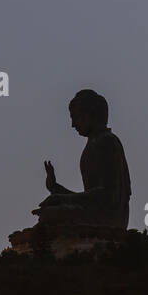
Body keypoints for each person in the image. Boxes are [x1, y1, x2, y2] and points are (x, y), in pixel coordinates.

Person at [34, 88, 131, 229]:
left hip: (109, 218)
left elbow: (107, 195)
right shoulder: (94, 144)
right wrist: (55, 188)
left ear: (88, 115)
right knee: (49, 212)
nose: (73, 125)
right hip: (95, 211)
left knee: (50, 215)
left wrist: (62, 198)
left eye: (75, 117)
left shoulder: (107, 142)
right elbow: (89, 198)